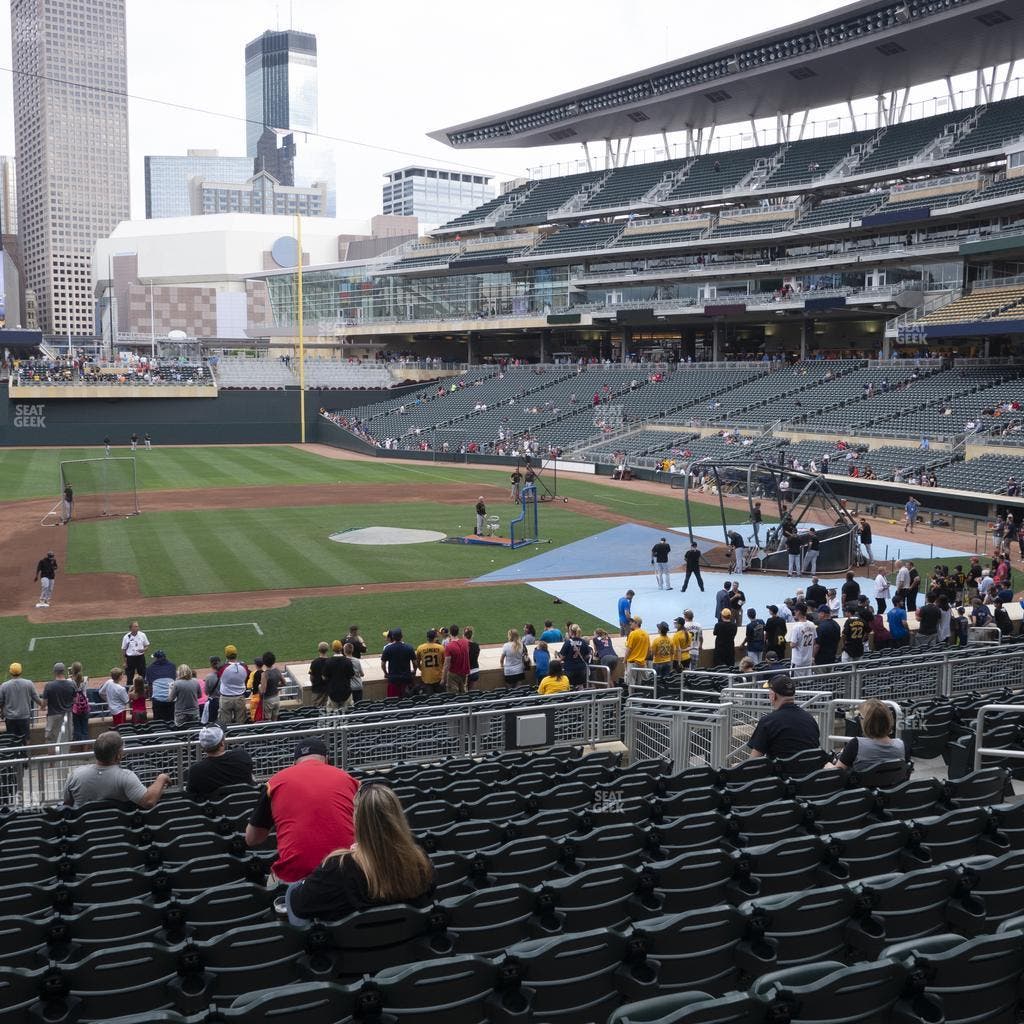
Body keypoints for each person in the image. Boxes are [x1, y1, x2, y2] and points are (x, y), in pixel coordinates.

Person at [285, 781, 433, 926]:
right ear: (398, 817)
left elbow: (299, 906)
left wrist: (355, 856)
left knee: (292, 890)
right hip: (405, 946)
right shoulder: (419, 860)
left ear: (358, 821)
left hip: (345, 948)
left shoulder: (339, 867)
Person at [245, 737, 360, 887]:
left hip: (296, 878)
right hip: (350, 871)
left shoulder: (274, 783)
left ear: (294, 764)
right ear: (327, 759)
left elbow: (252, 839)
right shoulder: (351, 780)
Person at [64, 731, 171, 808]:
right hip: (118, 833)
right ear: (118, 756)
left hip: (83, 833)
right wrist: (161, 779)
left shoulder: (75, 775)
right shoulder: (126, 777)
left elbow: (67, 804)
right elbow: (149, 802)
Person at [747, 675, 821, 759]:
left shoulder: (768, 721)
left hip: (780, 771)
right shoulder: (810, 719)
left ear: (773, 695)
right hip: (811, 771)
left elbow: (753, 761)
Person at [828, 699, 905, 773]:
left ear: (866, 722)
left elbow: (838, 773)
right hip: (891, 785)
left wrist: (828, 766)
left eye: (860, 717)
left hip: (861, 786)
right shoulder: (900, 745)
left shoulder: (856, 744)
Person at [186, 725, 255, 797]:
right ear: (222, 743)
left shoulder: (196, 770)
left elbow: (191, 795)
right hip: (247, 804)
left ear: (203, 747)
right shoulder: (242, 755)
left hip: (215, 807)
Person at [0, 662, 41, 742]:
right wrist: (44, 705)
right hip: (24, 717)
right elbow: (37, 699)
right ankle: (25, 754)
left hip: (10, 718)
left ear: (10, 672)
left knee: (12, 740)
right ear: (21, 671)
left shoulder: (4, 685)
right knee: (26, 739)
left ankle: (14, 754)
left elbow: (1, 702)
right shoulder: (28, 683)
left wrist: (2, 711)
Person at [43, 662, 76, 744]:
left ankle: (52, 757)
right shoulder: (72, 684)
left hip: (53, 716)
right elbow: (75, 700)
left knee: (50, 740)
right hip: (68, 716)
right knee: (67, 740)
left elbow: (44, 703)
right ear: (63, 671)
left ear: (54, 672)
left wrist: (42, 707)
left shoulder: (49, 685)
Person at [217, 645, 250, 725]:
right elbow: (248, 675)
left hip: (226, 698)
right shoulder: (244, 667)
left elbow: (218, 676)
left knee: (225, 723)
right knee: (240, 722)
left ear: (226, 655)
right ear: (236, 654)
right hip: (239, 697)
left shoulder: (222, 668)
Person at [324, 640, 356, 711]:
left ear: (332, 649)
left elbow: (324, 677)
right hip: (346, 692)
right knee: (348, 715)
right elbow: (352, 675)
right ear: (341, 648)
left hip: (333, 693)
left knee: (333, 717)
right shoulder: (348, 661)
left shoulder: (328, 662)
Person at [146, 649, 176, 723]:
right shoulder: (172, 666)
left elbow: (150, 685)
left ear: (156, 658)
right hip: (171, 699)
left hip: (158, 701)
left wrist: (150, 697)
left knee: (158, 723)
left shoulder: (150, 668)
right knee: (171, 721)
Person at [560, 625, 592, 689]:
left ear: (571, 632)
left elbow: (562, 657)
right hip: (581, 669)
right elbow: (587, 655)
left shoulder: (568, 642)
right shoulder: (583, 642)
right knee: (580, 687)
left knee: (570, 688)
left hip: (570, 669)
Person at [441, 625, 471, 695]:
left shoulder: (449, 646)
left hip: (453, 674)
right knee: (464, 694)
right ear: (458, 632)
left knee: (453, 696)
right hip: (464, 673)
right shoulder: (465, 642)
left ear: (450, 632)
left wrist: (443, 678)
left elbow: (446, 664)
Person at [415, 630, 446, 694]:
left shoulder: (420, 648)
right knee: (441, 698)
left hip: (426, 678)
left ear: (427, 638)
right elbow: (444, 662)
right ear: (435, 637)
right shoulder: (441, 648)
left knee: (430, 700)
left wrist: (421, 669)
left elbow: (417, 662)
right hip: (438, 677)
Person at [789, 604, 817, 676]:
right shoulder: (812, 624)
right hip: (808, 660)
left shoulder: (796, 627)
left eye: (795, 611)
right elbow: (814, 641)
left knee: (795, 682)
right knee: (807, 683)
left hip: (798, 661)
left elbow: (792, 645)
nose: (794, 612)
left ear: (798, 612)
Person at [70, 662, 91, 742]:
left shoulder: (70, 681)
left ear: (72, 670)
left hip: (75, 707)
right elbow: (83, 678)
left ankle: (79, 752)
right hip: (85, 706)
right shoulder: (86, 679)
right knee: (85, 728)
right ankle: (85, 750)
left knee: (77, 728)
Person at [650, 622, 675, 691]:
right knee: (666, 681)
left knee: (657, 681)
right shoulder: (671, 640)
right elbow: (672, 652)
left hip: (657, 663)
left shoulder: (656, 640)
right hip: (668, 663)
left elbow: (653, 653)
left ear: (660, 630)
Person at [308, 642, 330, 708]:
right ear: (327, 650)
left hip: (317, 689)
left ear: (318, 650)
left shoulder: (315, 662)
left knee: (316, 709)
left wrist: (313, 683)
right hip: (328, 689)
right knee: (328, 709)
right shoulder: (330, 661)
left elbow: (311, 677)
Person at [203, 656, 221, 723]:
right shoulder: (225, 674)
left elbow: (206, 692)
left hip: (213, 702)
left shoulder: (209, 677)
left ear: (211, 664)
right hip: (223, 700)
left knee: (212, 722)